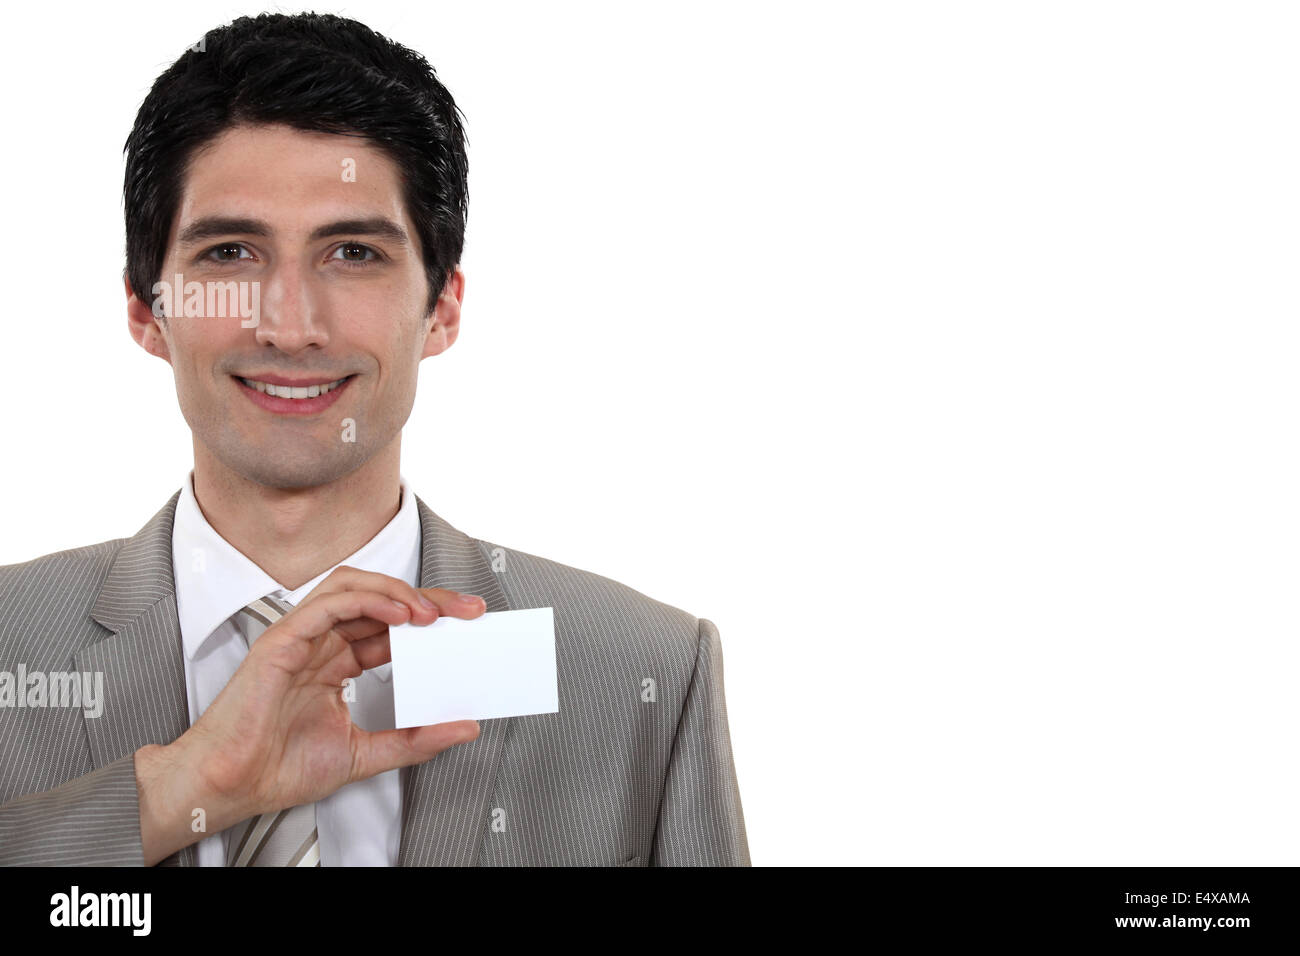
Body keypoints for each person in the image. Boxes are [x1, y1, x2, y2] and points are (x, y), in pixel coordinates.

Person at [0, 11, 748, 867]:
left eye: (352, 252)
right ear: (147, 310)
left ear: (442, 308)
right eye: (231, 253)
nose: (289, 326)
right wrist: (176, 793)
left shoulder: (638, 674)